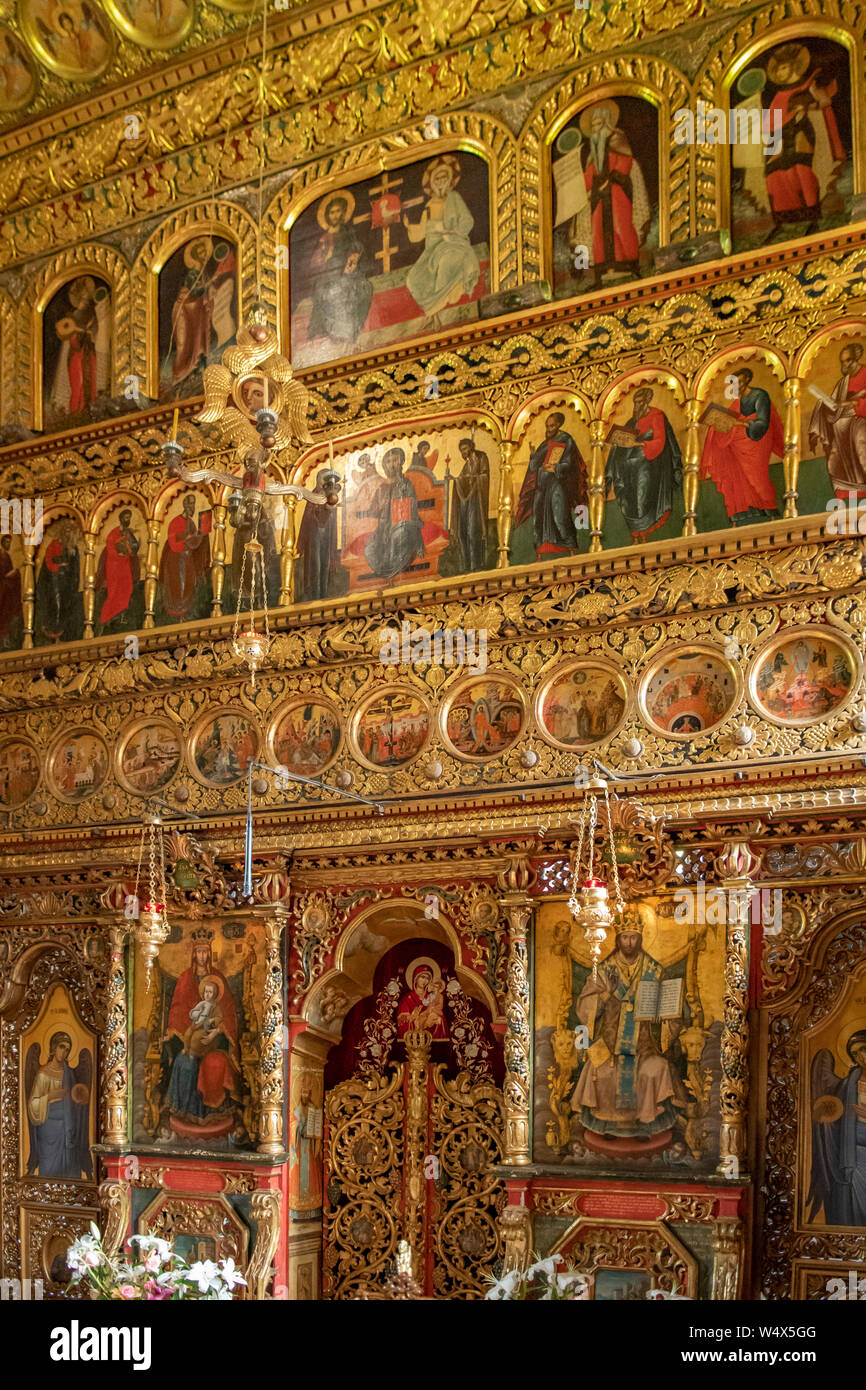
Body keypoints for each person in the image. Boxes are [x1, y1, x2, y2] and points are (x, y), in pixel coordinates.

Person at [570, 908, 687, 1144]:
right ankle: (608, 1125)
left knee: (655, 1069)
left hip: (646, 1047)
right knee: (600, 1070)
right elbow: (584, 1009)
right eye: (625, 937)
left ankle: (647, 1123)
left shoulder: (654, 971)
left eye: (634, 937)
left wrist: (660, 1020)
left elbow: (672, 1012)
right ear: (617, 939)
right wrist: (606, 995)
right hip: (610, 1045)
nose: (629, 942)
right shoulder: (602, 971)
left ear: (641, 938)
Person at [700, 368, 784, 524]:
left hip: (757, 440)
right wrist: (718, 424)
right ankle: (741, 511)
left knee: (758, 476)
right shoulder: (736, 403)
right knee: (733, 469)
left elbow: (762, 424)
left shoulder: (760, 396)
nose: (736, 386)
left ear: (747, 381)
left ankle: (771, 510)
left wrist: (739, 423)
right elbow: (729, 421)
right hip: (739, 441)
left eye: (739, 382)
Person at [582, 101, 650, 284]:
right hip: (598, 201)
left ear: (607, 123)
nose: (596, 130)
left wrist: (608, 182)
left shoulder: (618, 140)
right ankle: (603, 272)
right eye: (594, 126)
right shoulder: (593, 153)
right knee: (598, 235)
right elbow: (588, 178)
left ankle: (628, 265)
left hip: (618, 197)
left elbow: (626, 166)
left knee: (622, 229)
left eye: (599, 124)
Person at [404, 156, 480, 317]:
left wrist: (448, 230)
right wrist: (409, 228)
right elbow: (421, 233)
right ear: (432, 182)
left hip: (452, 243)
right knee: (413, 278)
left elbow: (467, 221)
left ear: (449, 180)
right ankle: (432, 311)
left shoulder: (454, 198)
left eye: (444, 178)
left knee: (445, 265)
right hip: (431, 249)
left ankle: (443, 313)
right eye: (437, 178)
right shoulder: (429, 205)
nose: (440, 181)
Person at [606, 386, 683, 541]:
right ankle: (636, 536)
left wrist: (641, 445)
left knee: (642, 497)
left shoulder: (656, 415)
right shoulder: (632, 421)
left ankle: (645, 536)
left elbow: (660, 441)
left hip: (649, 465)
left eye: (640, 402)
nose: (637, 406)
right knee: (630, 499)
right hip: (629, 469)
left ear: (647, 401)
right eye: (635, 402)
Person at [808, 1030, 866, 1226]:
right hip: (855, 1157)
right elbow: (829, 1114)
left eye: (864, 1049)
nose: (861, 1057)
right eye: (855, 1053)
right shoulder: (847, 1085)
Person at [515, 412, 587, 557]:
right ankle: (541, 553)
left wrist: (555, 468)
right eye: (547, 426)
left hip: (557, 484)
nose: (548, 429)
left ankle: (570, 549)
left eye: (552, 426)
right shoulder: (545, 443)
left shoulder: (566, 440)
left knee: (559, 515)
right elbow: (534, 465)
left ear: (559, 425)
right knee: (538, 518)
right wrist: (533, 455)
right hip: (541, 487)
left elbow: (570, 463)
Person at [306, 193, 373, 348]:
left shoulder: (347, 232)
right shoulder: (324, 237)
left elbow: (356, 246)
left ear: (343, 213)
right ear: (327, 215)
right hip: (328, 273)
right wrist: (323, 254)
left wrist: (354, 257)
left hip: (346, 270)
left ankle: (347, 333)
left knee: (356, 288)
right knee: (327, 291)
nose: (335, 215)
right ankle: (332, 332)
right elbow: (315, 264)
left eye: (338, 211)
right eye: (332, 212)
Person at [168, 236, 237, 384]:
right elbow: (194, 291)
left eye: (204, 252)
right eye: (199, 253)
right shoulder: (193, 273)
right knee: (184, 343)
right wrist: (209, 284)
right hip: (186, 309)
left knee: (200, 339)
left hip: (198, 312)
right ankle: (183, 371)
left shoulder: (204, 271)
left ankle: (198, 366)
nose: (202, 255)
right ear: (195, 256)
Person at [26, 1031, 92, 1179]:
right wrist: (50, 1097)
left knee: (69, 1172)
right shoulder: (43, 1074)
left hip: (68, 1131)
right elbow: (32, 1105)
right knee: (48, 1173)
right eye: (61, 1047)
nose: (64, 1052)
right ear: (53, 1048)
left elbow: (76, 1101)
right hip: (49, 1132)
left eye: (67, 1049)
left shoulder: (70, 1073)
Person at [808, 343, 866, 494]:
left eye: (849, 360)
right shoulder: (843, 382)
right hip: (841, 424)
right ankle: (847, 490)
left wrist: (851, 403)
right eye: (843, 361)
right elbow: (833, 403)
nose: (845, 364)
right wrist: (825, 405)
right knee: (834, 457)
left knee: (860, 442)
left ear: (857, 358)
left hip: (860, 418)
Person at [364, 447, 425, 580]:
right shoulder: (381, 488)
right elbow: (373, 510)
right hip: (384, 526)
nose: (392, 465)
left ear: (401, 462)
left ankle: (393, 572)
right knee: (370, 547)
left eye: (395, 461)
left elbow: (411, 509)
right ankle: (384, 572)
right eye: (389, 461)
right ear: (385, 466)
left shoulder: (406, 484)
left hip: (403, 524)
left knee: (397, 538)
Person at [158, 494, 211, 621]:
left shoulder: (191, 523)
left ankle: (185, 614)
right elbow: (172, 542)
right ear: (185, 505)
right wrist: (186, 539)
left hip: (187, 559)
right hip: (176, 560)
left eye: (193, 504)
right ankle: (176, 616)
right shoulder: (175, 522)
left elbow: (194, 543)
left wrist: (202, 534)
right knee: (178, 587)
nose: (192, 507)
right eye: (190, 504)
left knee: (188, 585)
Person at [36, 520, 84, 644]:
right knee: (54, 606)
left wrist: (66, 569)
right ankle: (52, 634)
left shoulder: (73, 549)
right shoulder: (54, 544)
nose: (67, 535)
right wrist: (60, 565)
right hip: (54, 582)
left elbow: (75, 568)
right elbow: (49, 562)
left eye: (70, 532)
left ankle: (64, 635)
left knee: (66, 607)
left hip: (67, 584)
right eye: (65, 532)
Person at [95, 508, 141, 632]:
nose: (128, 520)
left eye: (129, 518)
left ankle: (121, 616)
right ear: (121, 519)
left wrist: (131, 547)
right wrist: (119, 554)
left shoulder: (128, 532)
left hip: (125, 565)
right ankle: (107, 617)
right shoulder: (114, 533)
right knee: (114, 591)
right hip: (114, 566)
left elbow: (134, 547)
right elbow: (110, 549)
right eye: (126, 517)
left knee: (127, 589)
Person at [452, 437, 489, 571]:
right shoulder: (466, 465)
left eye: (465, 449)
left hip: (477, 501)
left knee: (474, 531)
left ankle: (476, 565)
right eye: (461, 450)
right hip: (466, 502)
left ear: (471, 447)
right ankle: (466, 566)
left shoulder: (481, 458)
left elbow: (485, 476)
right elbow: (462, 479)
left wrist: (473, 478)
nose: (463, 452)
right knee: (464, 532)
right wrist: (456, 480)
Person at [397, 962, 448, 1038]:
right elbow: (402, 1021)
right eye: (422, 977)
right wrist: (413, 1016)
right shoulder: (407, 998)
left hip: (431, 1035)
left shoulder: (431, 996)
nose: (425, 981)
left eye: (427, 978)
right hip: (413, 1038)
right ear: (416, 978)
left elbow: (439, 1012)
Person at [0, 534, 22, 648]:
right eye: (6, 542)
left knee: (7, 614)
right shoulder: (1, 556)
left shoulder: (7, 556)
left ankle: (5, 639)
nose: (8, 544)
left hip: (7, 589)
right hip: (2, 589)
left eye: (10, 542)